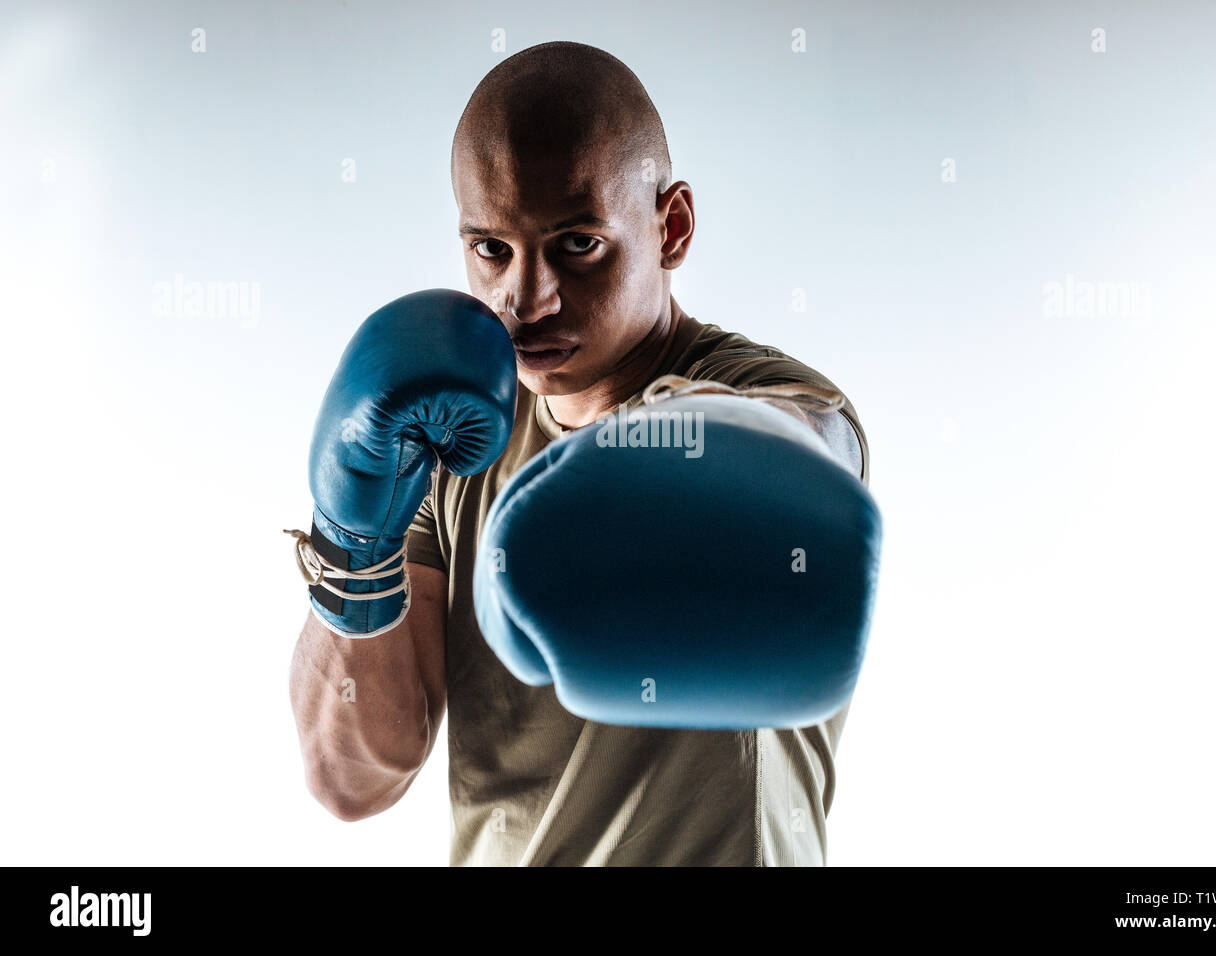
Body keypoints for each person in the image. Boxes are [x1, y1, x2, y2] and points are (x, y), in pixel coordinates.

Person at [288, 41, 877, 866]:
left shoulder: (764, 395)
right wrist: (353, 545)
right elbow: (353, 779)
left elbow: (807, 461)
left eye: (577, 244)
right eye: (492, 248)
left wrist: (599, 511)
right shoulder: (447, 445)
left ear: (669, 227)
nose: (526, 299)